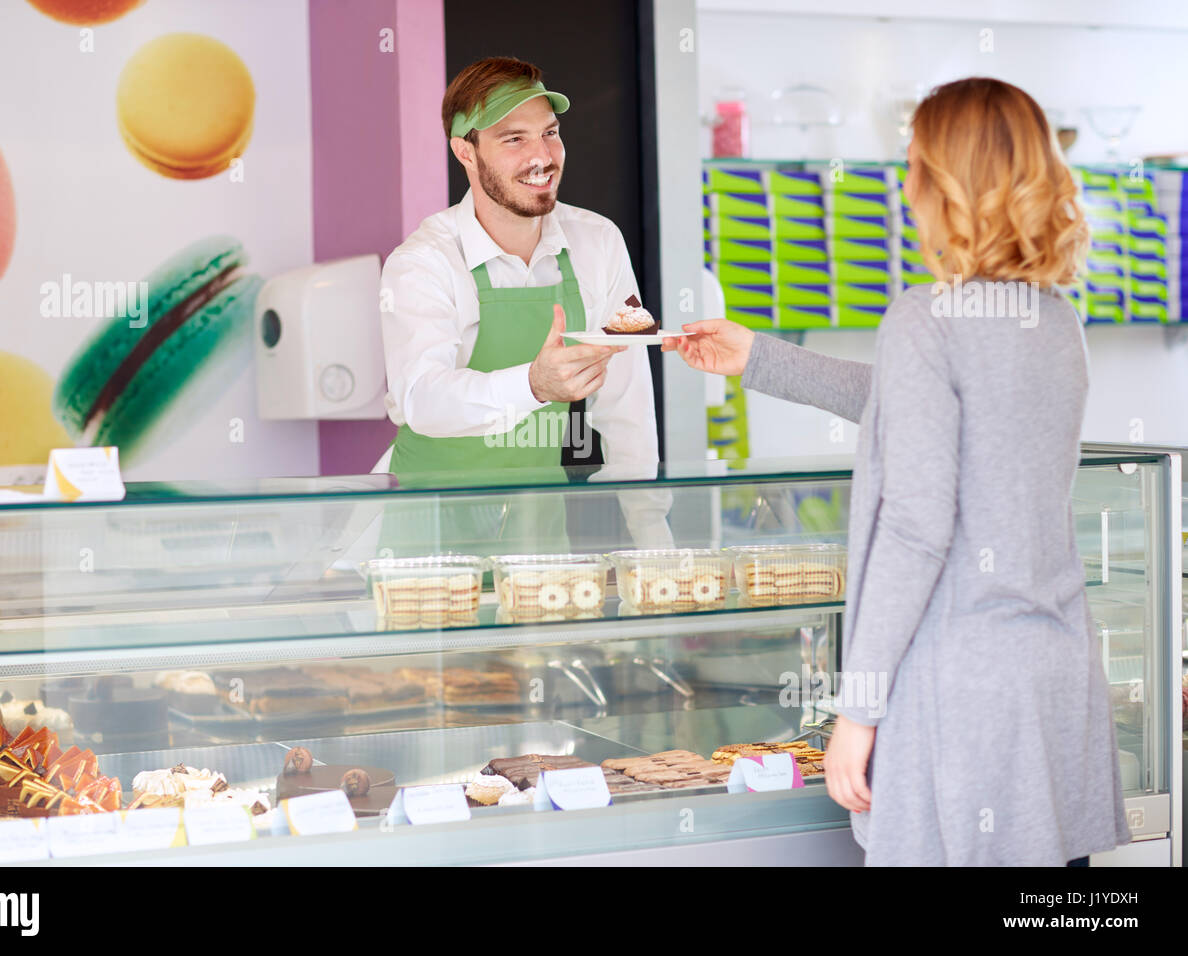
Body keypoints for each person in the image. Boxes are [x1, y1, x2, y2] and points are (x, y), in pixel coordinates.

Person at [665, 77, 1131, 866]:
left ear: (940, 183)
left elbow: (918, 526)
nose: (904, 184)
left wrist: (859, 710)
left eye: (913, 163)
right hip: (1052, 685)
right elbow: (929, 411)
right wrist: (761, 359)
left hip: (959, 692)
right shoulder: (1053, 320)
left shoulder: (925, 319)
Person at [377, 56, 665, 554]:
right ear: (465, 151)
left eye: (550, 133)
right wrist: (534, 385)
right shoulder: (424, 261)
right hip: (425, 529)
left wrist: (651, 534)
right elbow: (420, 398)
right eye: (514, 139)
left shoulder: (598, 242)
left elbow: (627, 401)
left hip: (537, 526)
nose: (542, 156)